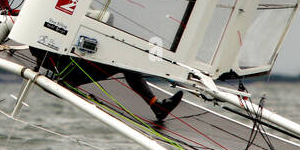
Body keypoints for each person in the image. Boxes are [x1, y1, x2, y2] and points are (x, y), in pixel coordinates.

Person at [29, 47, 184, 124]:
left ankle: (156, 106)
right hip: (67, 74)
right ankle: (156, 106)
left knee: (123, 60)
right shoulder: (40, 30)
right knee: (123, 62)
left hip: (75, 65)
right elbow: (38, 54)